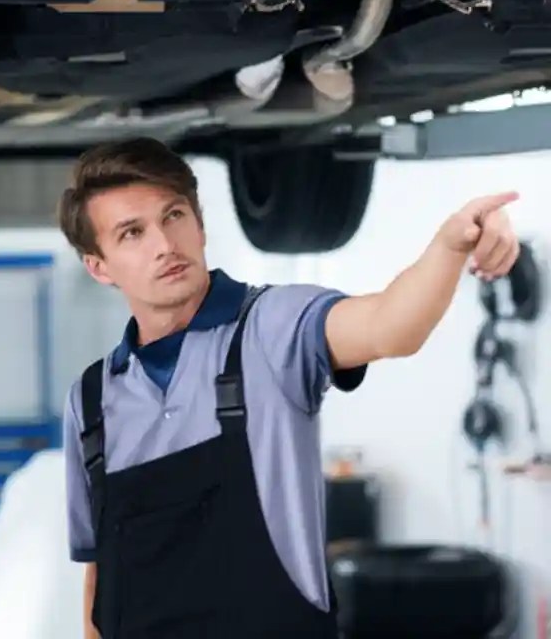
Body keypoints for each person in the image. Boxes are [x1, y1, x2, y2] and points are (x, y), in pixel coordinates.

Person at [57, 139, 520, 639]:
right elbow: (101, 572)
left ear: (200, 224)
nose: (164, 244)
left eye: (173, 216)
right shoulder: (91, 400)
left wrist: (450, 245)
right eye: (132, 233)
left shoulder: (271, 328)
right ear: (99, 266)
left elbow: (390, 325)